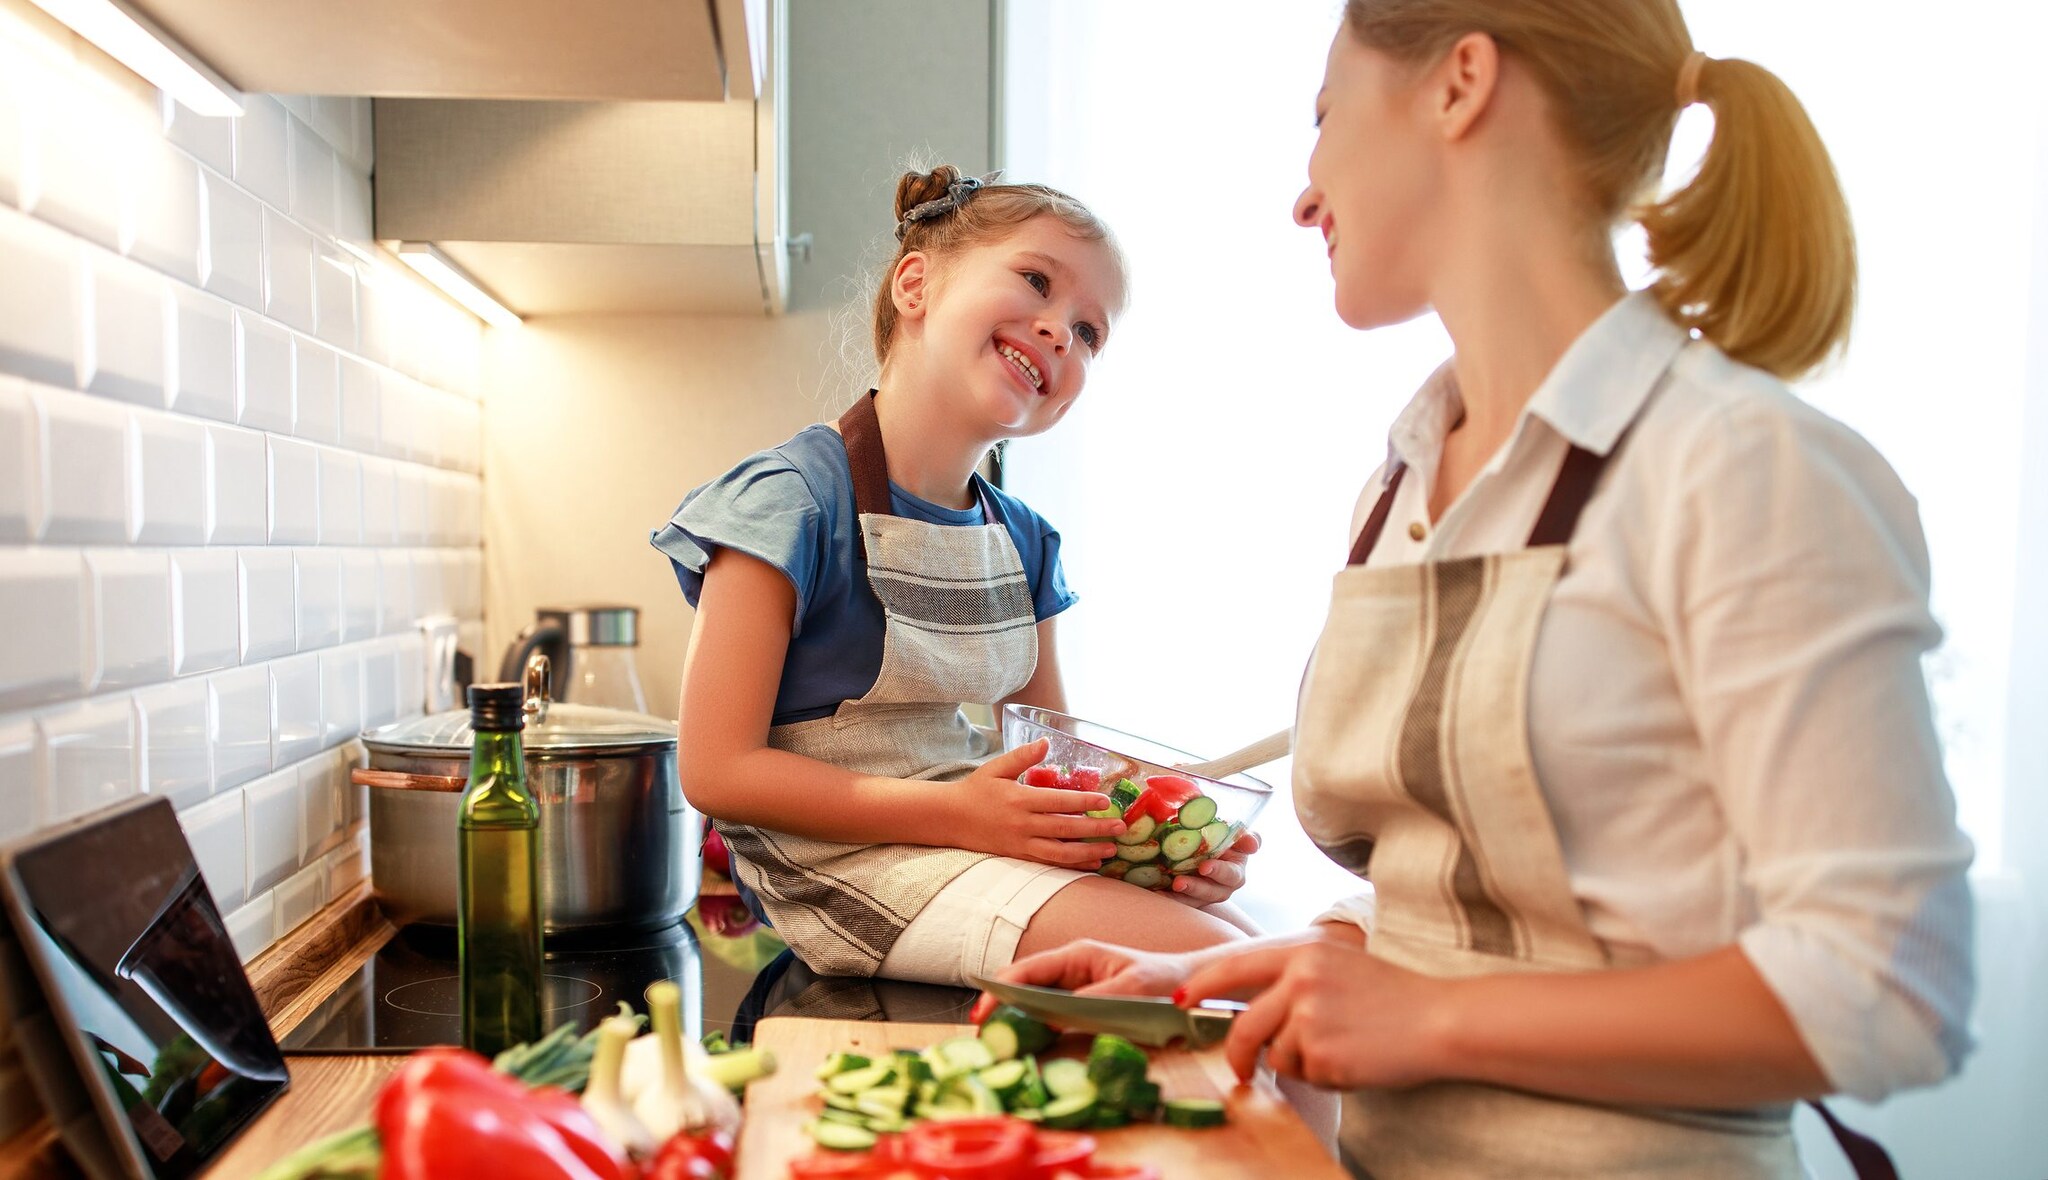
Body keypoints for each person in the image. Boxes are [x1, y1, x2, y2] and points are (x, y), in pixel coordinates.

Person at [984, 3, 1975, 1176]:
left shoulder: (1744, 467)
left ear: (1459, 83)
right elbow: (1474, 905)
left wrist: (1427, 1017)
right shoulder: (1397, 482)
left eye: (1323, 115)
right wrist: (1209, 973)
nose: (1303, 194)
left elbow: (1892, 987)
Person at [652, 166, 1259, 989]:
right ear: (915, 285)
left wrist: (1164, 845)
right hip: (844, 870)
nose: (1060, 332)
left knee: (1247, 943)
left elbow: (1052, 758)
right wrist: (961, 813)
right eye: (1037, 281)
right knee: (1233, 968)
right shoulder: (788, 503)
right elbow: (717, 770)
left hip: (964, 835)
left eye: (1089, 332)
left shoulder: (1026, 542)